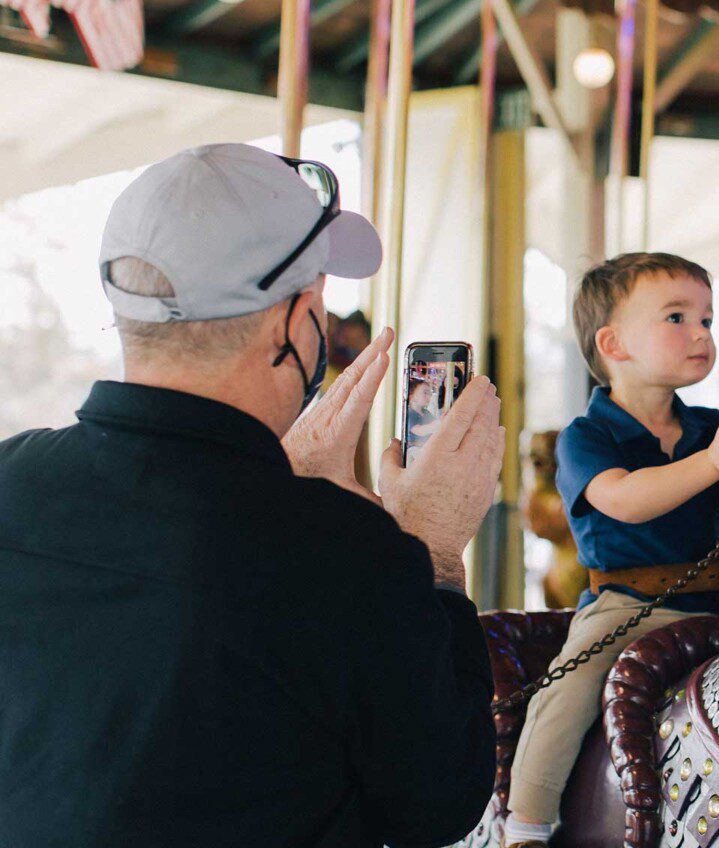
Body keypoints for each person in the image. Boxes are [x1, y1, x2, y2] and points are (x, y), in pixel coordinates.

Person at [0, 143, 503, 848]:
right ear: (290, 325)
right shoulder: (344, 553)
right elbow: (439, 802)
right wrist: (434, 552)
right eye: (318, 309)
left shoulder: (12, 481)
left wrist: (285, 488)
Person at [505, 253, 719, 847]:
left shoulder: (706, 426)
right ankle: (527, 822)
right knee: (568, 690)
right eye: (677, 317)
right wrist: (716, 463)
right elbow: (626, 499)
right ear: (614, 344)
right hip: (625, 606)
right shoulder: (587, 436)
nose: (700, 333)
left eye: (708, 320)